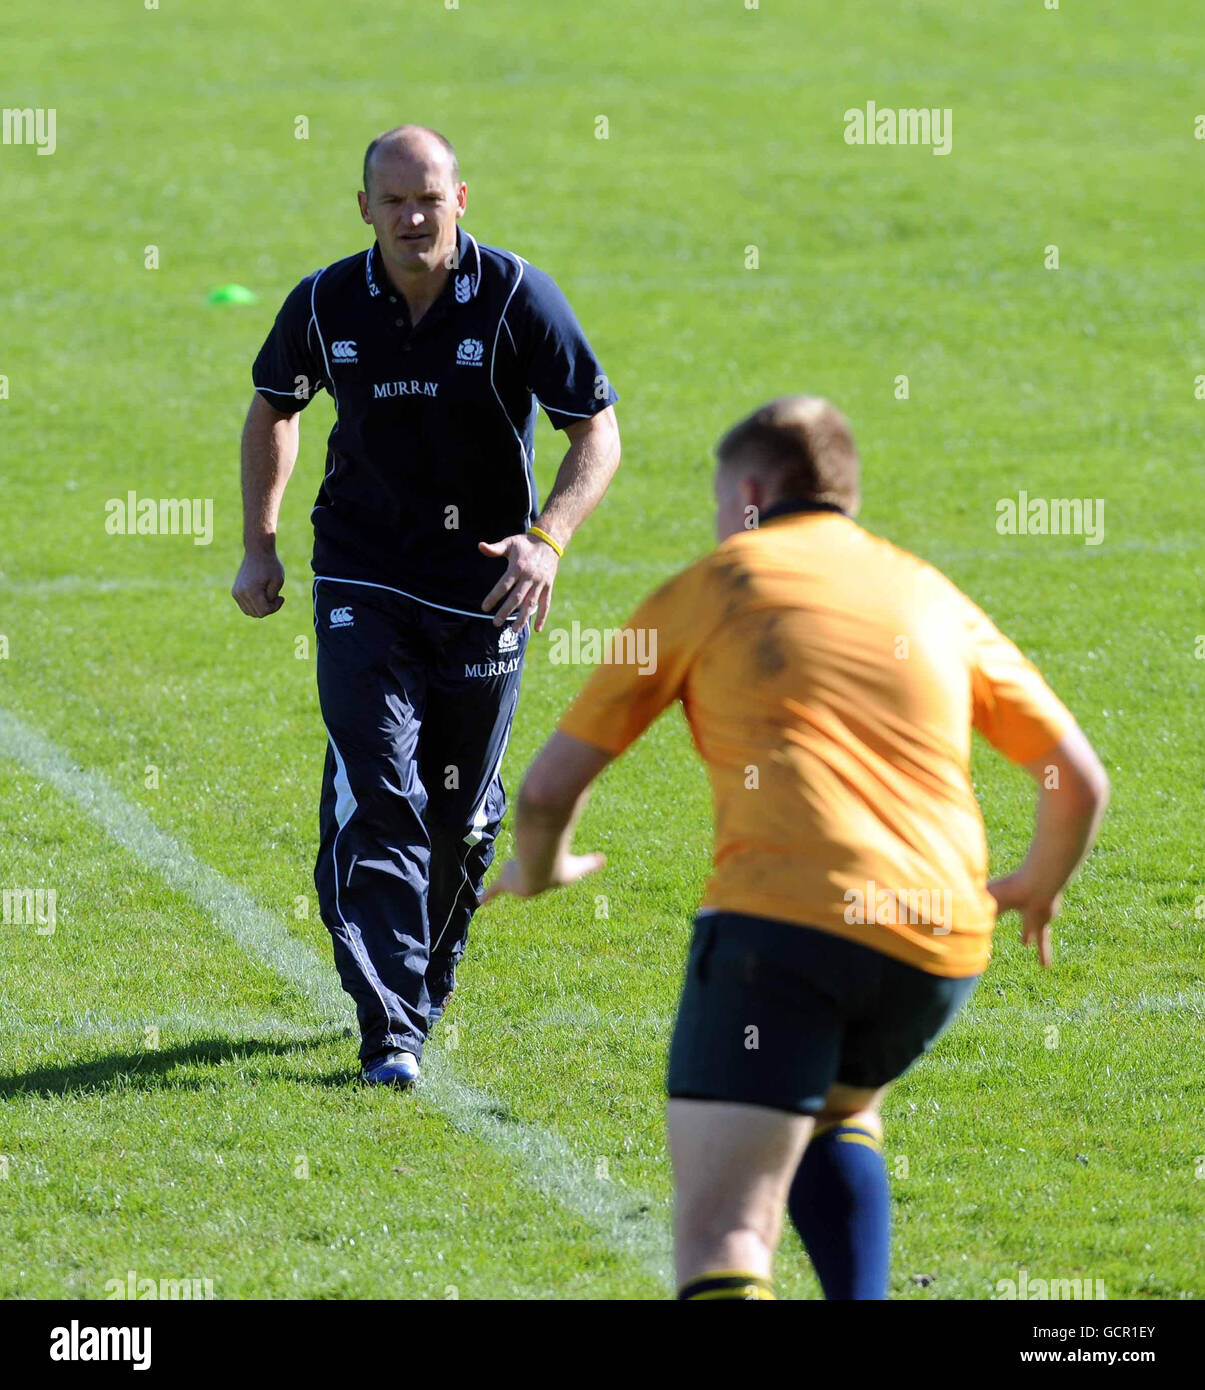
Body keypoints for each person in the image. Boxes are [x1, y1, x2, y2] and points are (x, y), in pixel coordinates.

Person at [482, 395, 1108, 1298]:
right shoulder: (927, 592)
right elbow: (1078, 780)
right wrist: (1036, 885)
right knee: (837, 1109)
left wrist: (539, 871)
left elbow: (544, 791)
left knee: (727, 1234)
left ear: (746, 492)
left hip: (783, 931)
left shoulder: (716, 585)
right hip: (938, 944)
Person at [232, 125, 620, 1086]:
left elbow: (595, 431)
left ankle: (425, 983)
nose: (413, 216)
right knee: (382, 791)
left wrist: (549, 538)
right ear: (363, 207)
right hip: (362, 574)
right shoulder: (326, 301)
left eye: (429, 198)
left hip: (485, 588)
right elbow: (275, 405)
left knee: (457, 815)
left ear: (461, 200)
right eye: (393, 200)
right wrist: (260, 546)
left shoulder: (518, 297)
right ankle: (390, 1031)